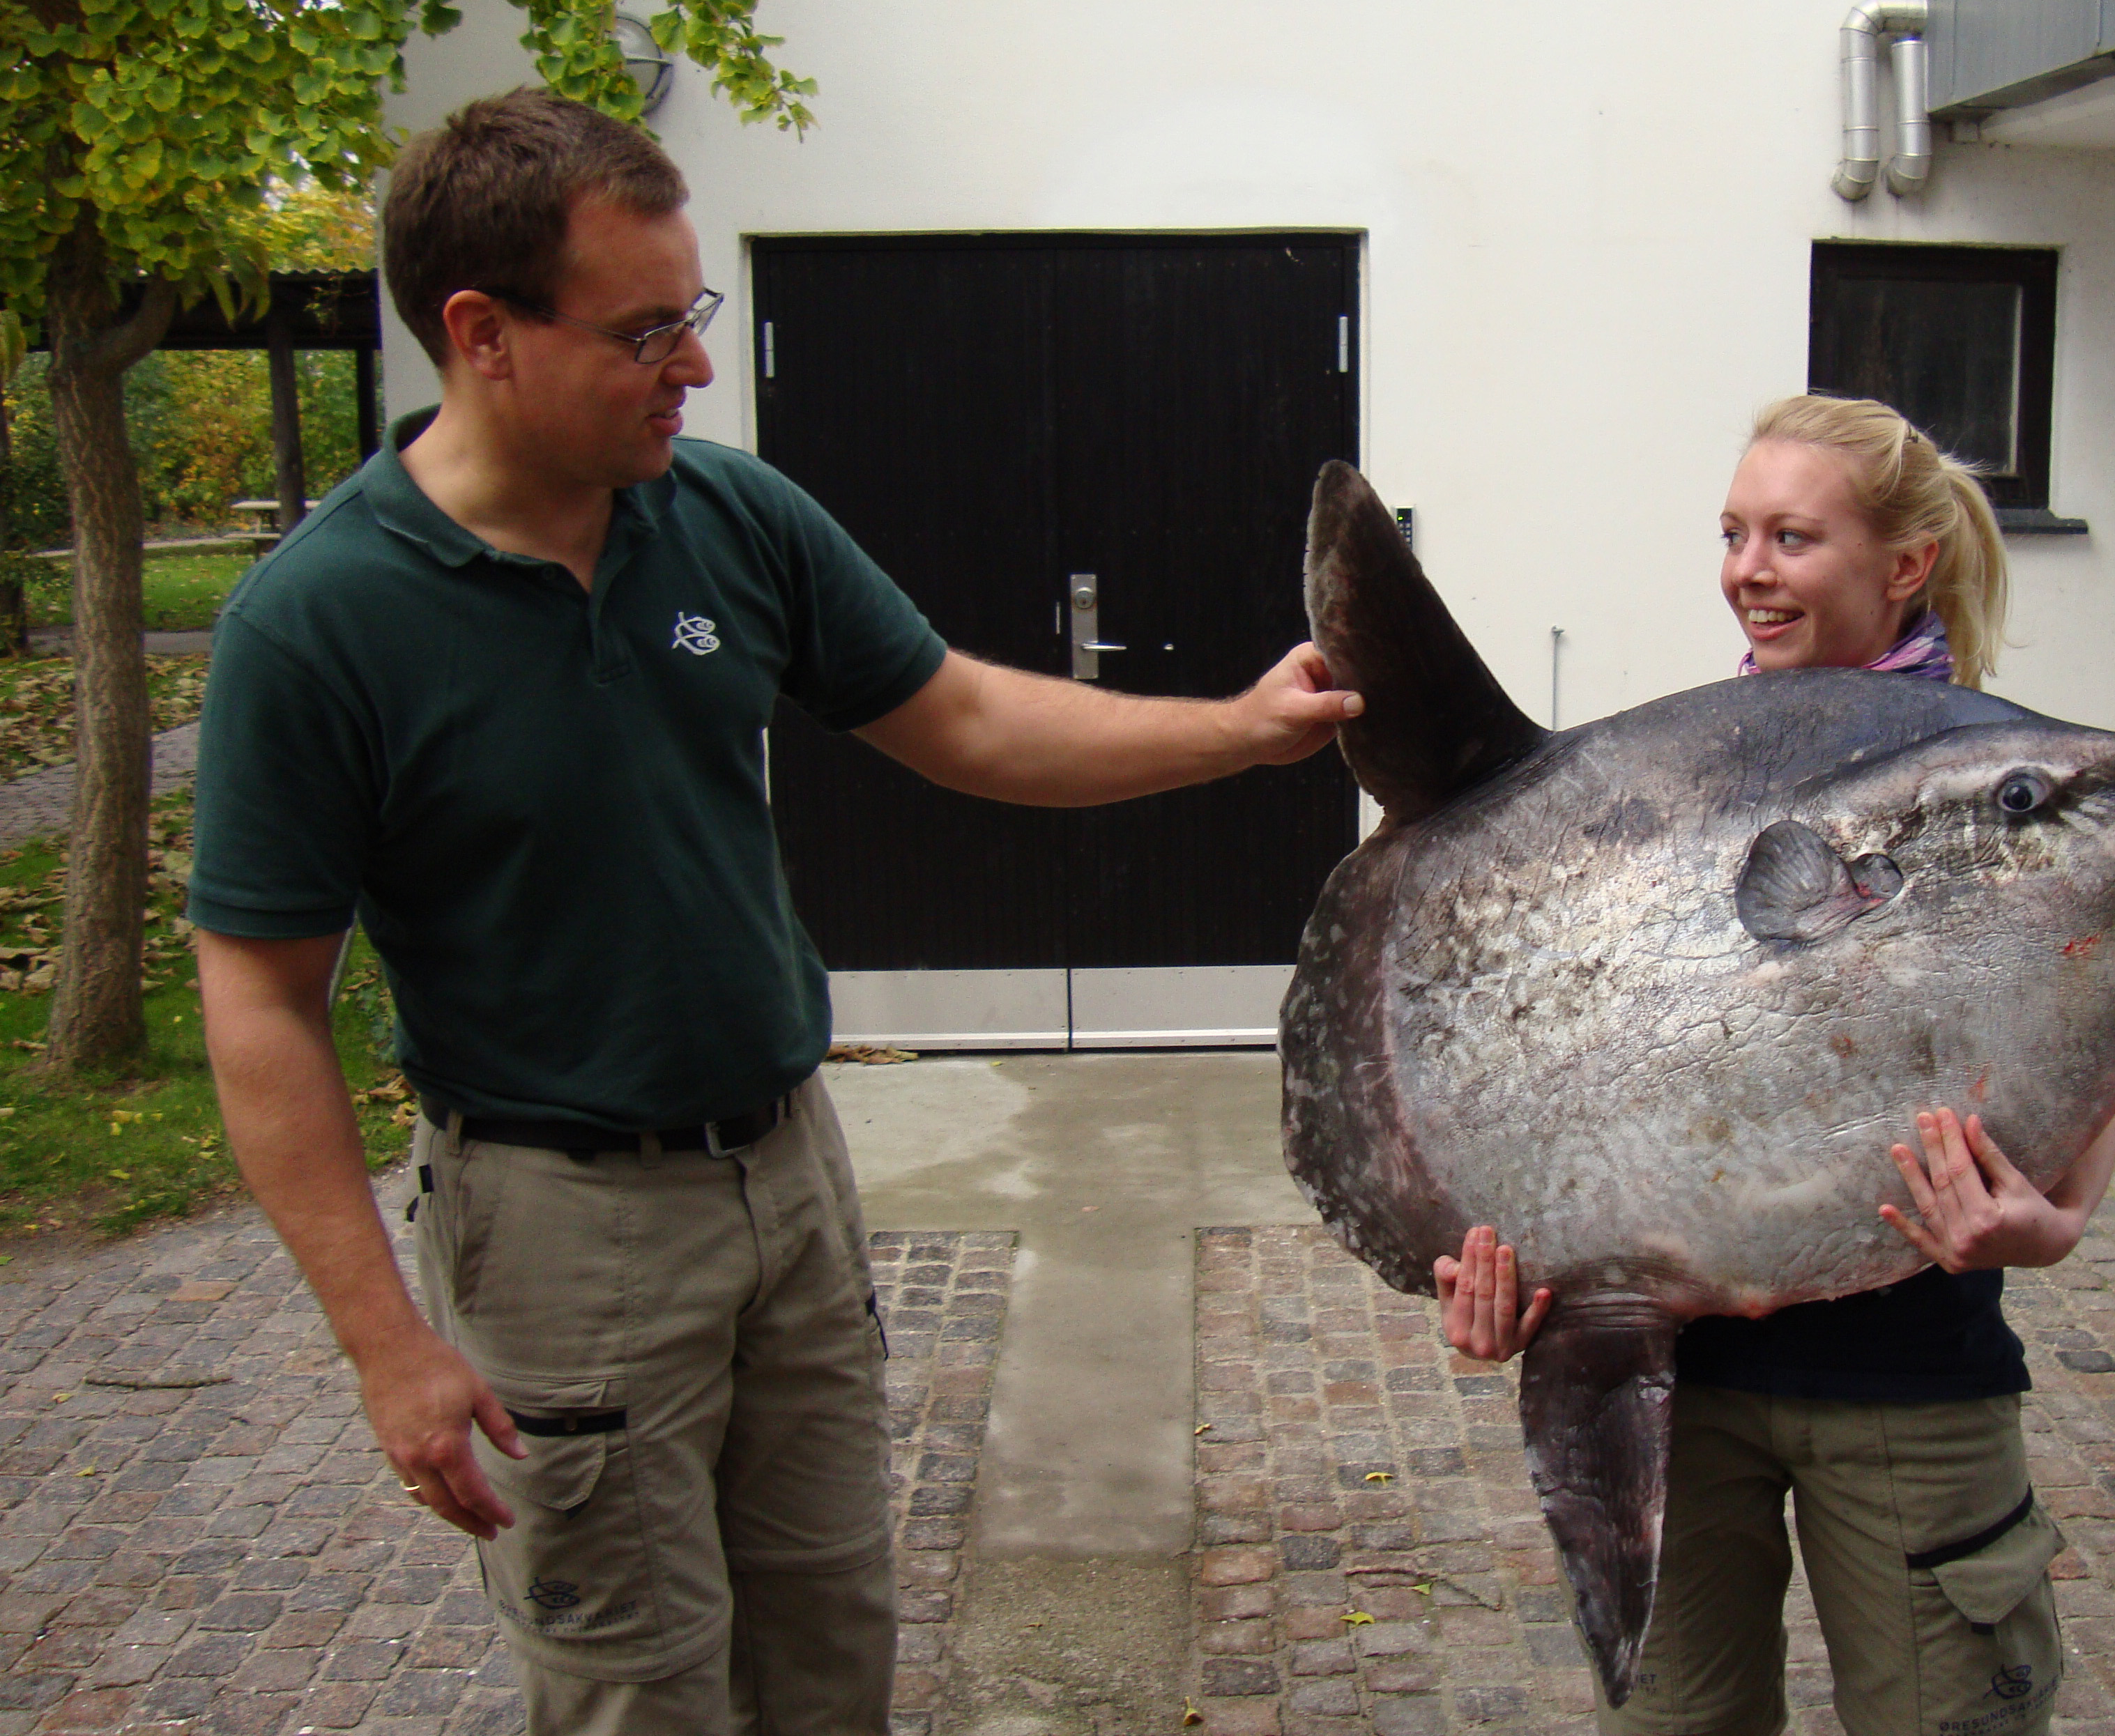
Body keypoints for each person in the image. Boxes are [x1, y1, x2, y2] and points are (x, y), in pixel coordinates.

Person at [189, 89, 1358, 1736]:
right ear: (481, 334)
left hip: (790, 1179)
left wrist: (1239, 731)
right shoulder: (318, 625)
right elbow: (259, 1001)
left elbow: (963, 717)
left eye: (697, 313)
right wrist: (388, 1344)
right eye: (644, 331)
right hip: (559, 1226)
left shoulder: (725, 515)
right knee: (637, 1692)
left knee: (831, 1650)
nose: (694, 364)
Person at [1438, 393, 2115, 1736]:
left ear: (1905, 563)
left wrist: (2046, 1229)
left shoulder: (2011, 780)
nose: (1749, 570)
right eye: (1734, 534)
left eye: (1793, 538)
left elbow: (2079, 1076)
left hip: (1914, 1383)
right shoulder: (1678, 778)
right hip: (1679, 1394)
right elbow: (1586, 1059)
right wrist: (1524, 1269)